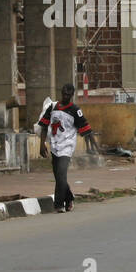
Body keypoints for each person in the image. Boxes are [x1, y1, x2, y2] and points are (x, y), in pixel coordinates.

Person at [38, 83, 100, 213]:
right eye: (63, 94)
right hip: (55, 145)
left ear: (71, 95)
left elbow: (87, 129)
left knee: (61, 173)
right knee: (58, 176)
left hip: (67, 146)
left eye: (68, 95)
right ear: (61, 93)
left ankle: (59, 205)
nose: (65, 96)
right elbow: (44, 126)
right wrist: (42, 144)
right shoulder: (53, 107)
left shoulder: (75, 110)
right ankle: (70, 198)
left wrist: (96, 147)